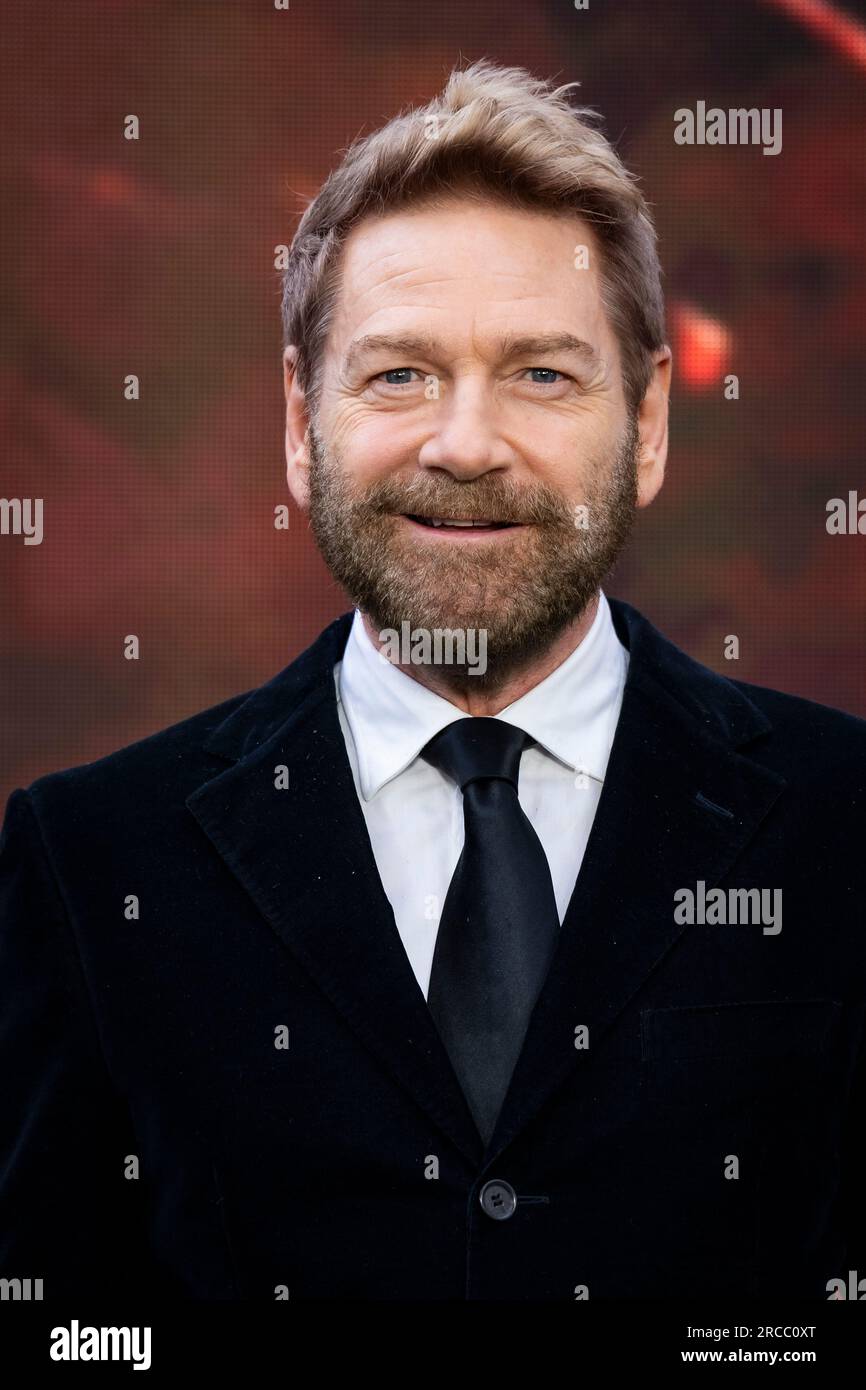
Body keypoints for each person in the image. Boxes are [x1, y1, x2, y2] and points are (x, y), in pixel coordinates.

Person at [1, 58, 864, 1302]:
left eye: (541, 374)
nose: (463, 444)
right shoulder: (90, 864)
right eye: (399, 373)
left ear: (649, 425)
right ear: (302, 426)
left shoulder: (846, 824)